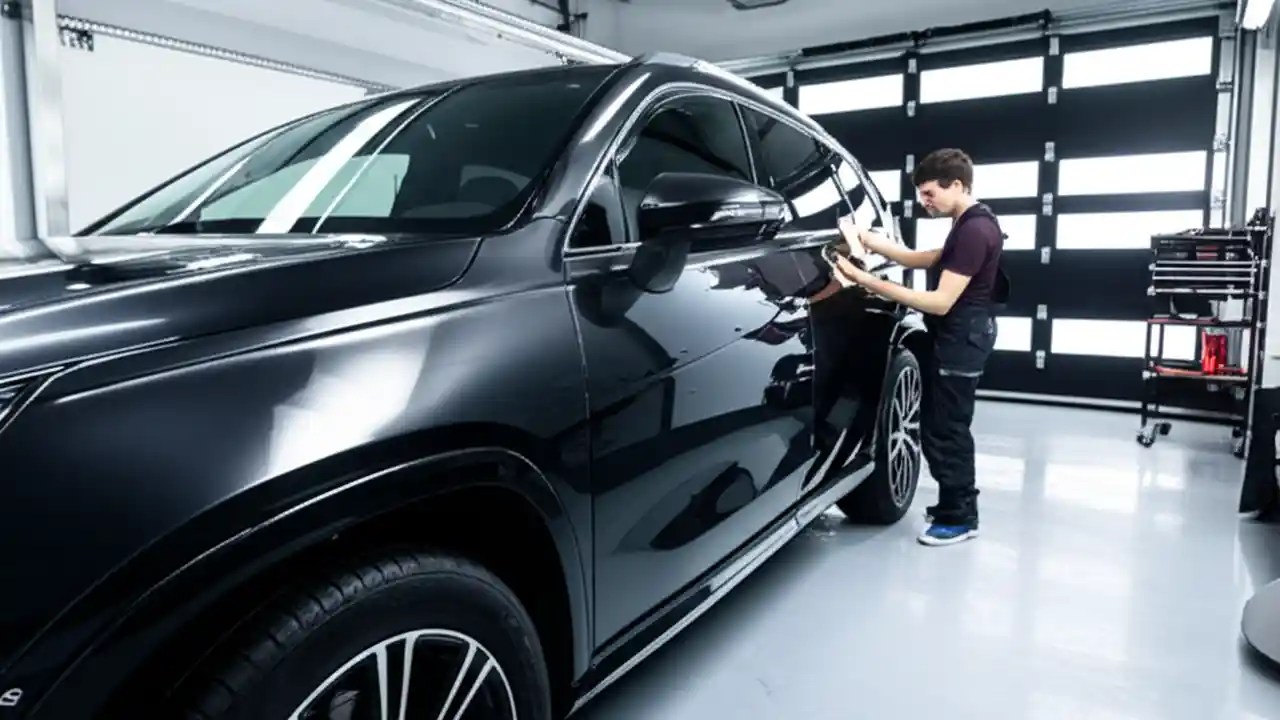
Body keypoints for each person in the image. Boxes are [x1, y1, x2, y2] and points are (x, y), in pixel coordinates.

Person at [831, 148, 1006, 547]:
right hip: (961, 333)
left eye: (929, 194)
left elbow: (940, 301)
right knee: (941, 422)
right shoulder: (970, 221)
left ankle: (959, 516)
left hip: (962, 337)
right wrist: (873, 242)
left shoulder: (976, 230)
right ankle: (954, 506)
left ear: (957, 185)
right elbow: (925, 258)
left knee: (947, 429)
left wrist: (866, 281)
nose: (924, 203)